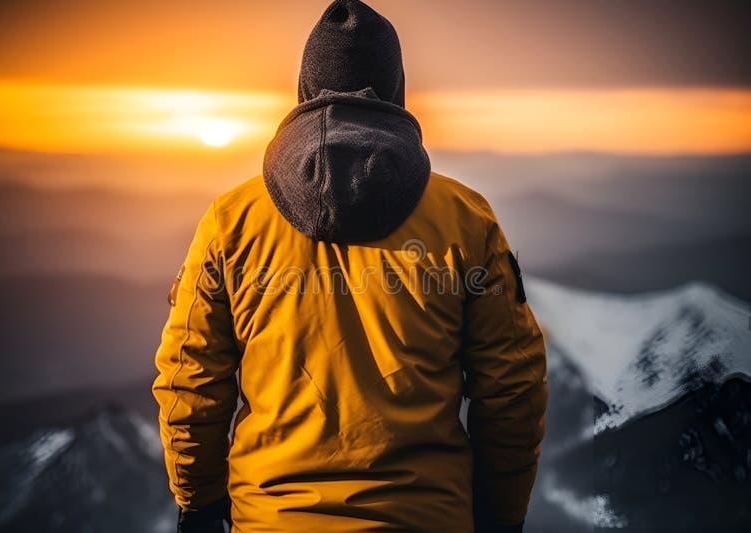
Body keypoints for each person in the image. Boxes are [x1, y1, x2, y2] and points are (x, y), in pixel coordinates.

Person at [152, 1, 548, 532]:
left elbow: (191, 377)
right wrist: (501, 517)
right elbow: (513, 387)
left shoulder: (233, 221)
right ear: (396, 92)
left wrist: (198, 505)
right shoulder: (464, 220)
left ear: (303, 89)